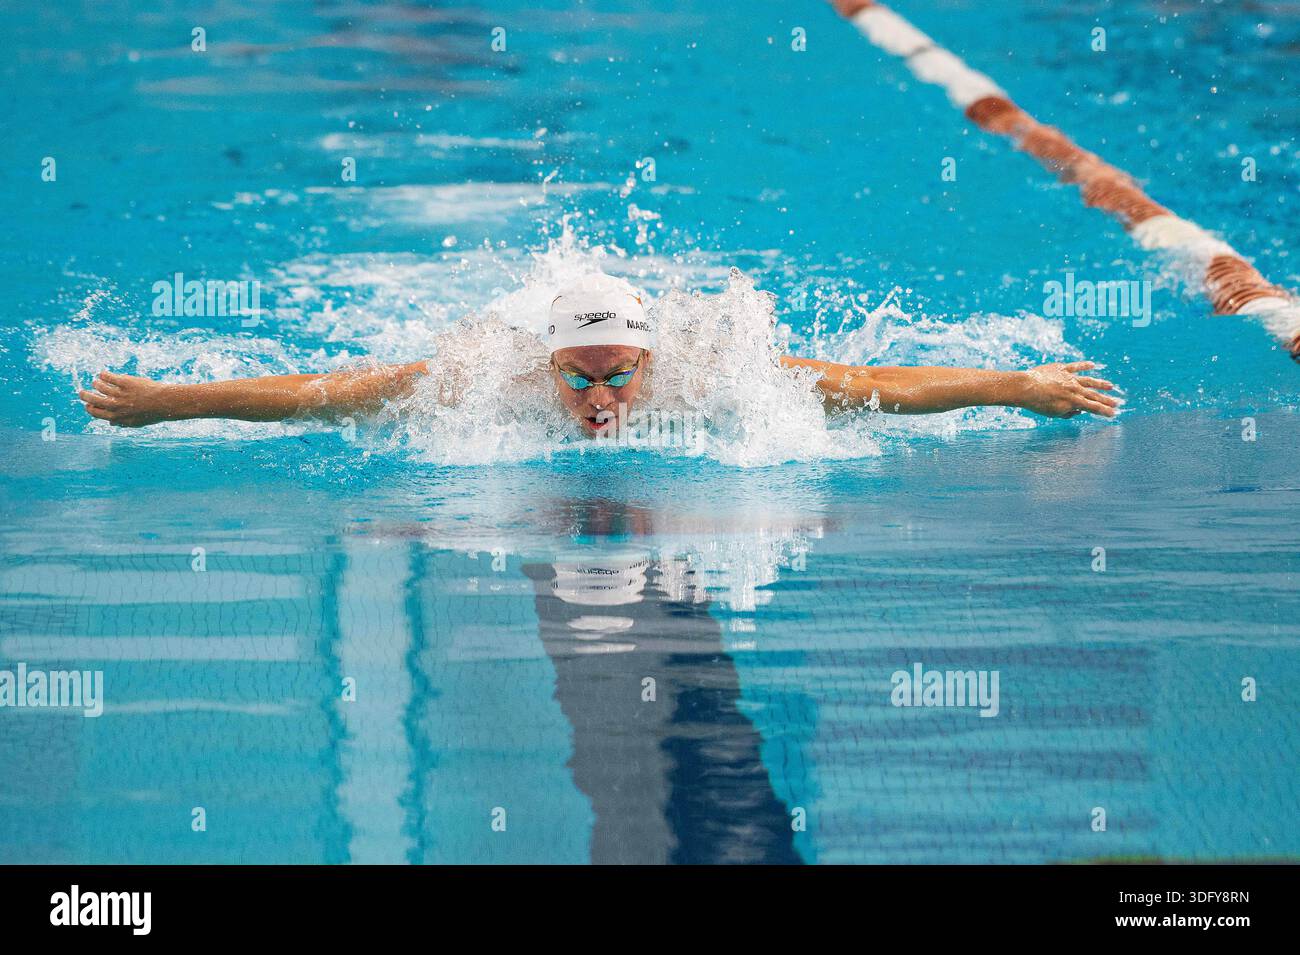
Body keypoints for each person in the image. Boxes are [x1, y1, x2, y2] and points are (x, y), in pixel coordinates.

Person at [77, 273, 1119, 432]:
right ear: (549, 367)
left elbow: (872, 388)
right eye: (583, 375)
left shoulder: (709, 374)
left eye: (622, 373)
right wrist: (168, 401)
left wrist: (1016, 388)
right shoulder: (493, 378)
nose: (602, 394)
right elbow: (321, 393)